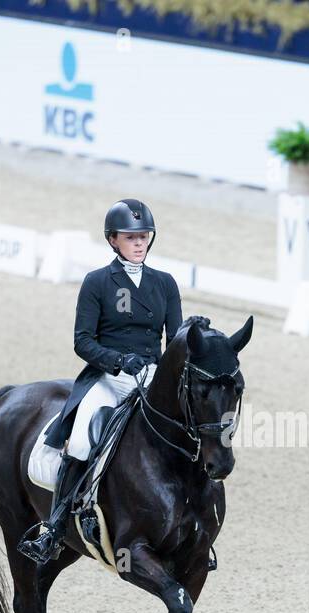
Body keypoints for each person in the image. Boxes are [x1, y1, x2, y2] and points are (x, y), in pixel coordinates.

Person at [17, 198, 183, 566]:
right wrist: (118, 360)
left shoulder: (165, 284)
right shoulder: (97, 283)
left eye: (144, 236)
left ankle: (193, 523)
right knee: (79, 441)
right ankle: (56, 526)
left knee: (186, 434)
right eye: (130, 237)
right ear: (113, 241)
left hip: (151, 379)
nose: (139, 243)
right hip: (109, 378)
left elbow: (173, 341)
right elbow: (83, 340)